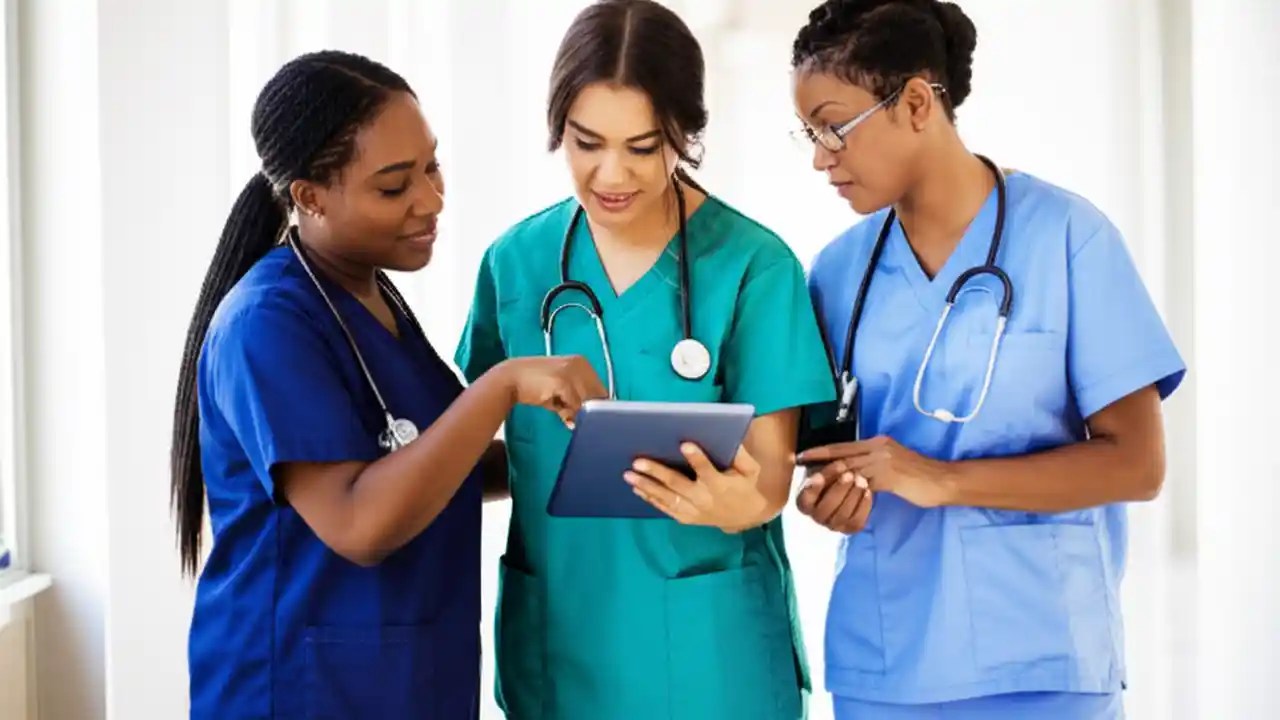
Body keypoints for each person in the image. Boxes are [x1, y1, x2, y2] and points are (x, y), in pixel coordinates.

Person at [169, 51, 605, 720]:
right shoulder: (268, 322)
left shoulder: (373, 296)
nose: (430, 200)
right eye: (394, 186)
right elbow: (360, 520)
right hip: (297, 689)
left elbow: (420, 466)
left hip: (406, 679)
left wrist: (588, 456)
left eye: (431, 167)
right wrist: (500, 388)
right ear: (309, 197)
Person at [787, 2, 1187, 718]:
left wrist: (939, 479)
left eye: (833, 127)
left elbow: (1137, 464)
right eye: (809, 134)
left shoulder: (1070, 238)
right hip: (886, 667)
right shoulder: (836, 272)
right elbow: (825, 456)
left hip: (1041, 660)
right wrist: (831, 500)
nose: (821, 156)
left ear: (915, 101)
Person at [454, 1, 835, 717]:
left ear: (685, 134)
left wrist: (737, 503)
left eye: (643, 145)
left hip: (709, 652)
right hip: (560, 633)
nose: (610, 174)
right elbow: (482, 439)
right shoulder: (517, 263)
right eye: (586, 142)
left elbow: (769, 480)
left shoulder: (753, 266)